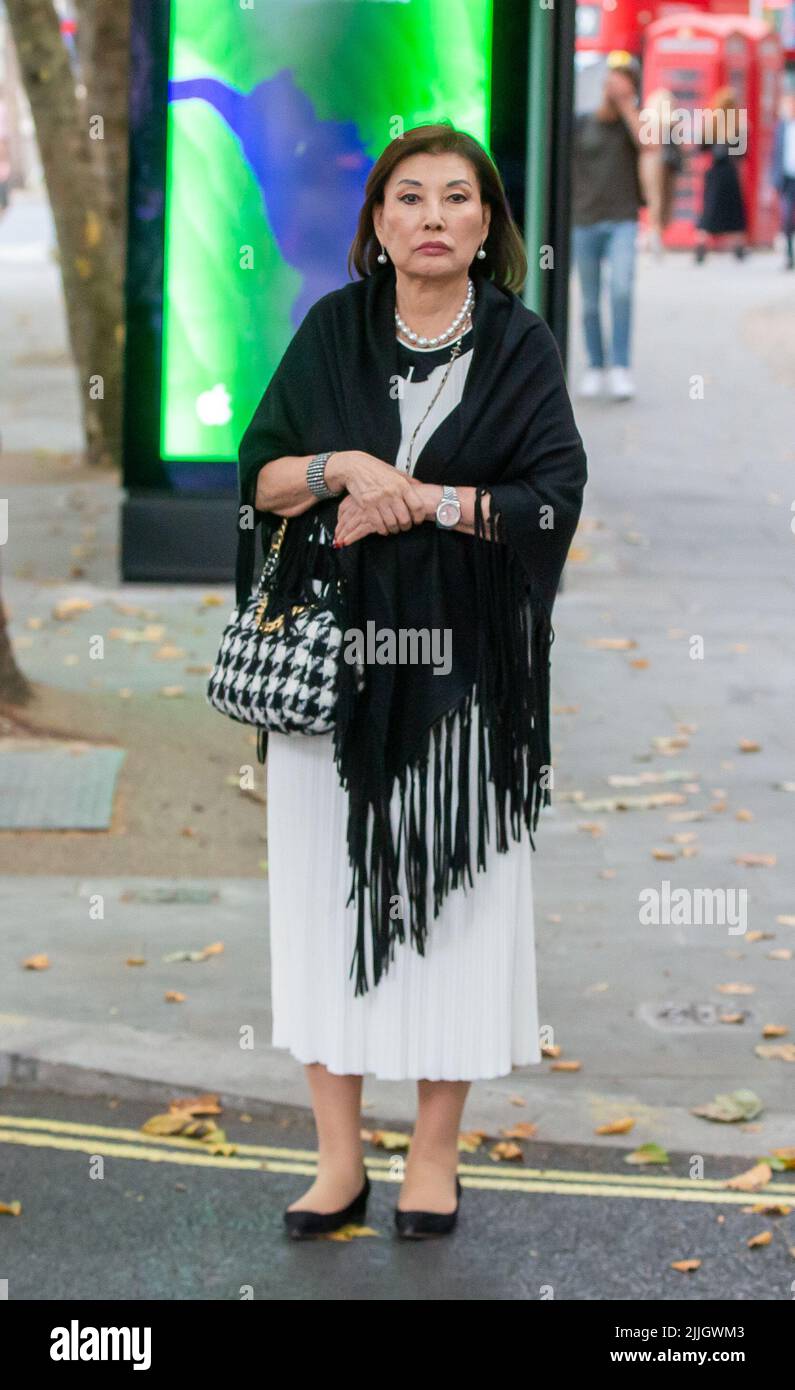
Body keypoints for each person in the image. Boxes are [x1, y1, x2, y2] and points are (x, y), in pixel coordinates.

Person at [234, 123, 587, 1240]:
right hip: (330, 684)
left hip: (464, 681)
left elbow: (550, 503)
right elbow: (264, 480)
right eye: (408, 198)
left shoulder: (522, 347)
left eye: (456, 198)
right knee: (325, 908)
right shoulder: (332, 330)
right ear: (377, 226)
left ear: (488, 227)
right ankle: (337, 1160)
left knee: (458, 916)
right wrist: (347, 470)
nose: (432, 216)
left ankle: (433, 1157)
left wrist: (423, 501)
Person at [571, 54, 645, 402]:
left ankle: (620, 366)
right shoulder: (583, 122)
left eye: (624, 80)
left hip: (622, 220)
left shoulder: (635, 125)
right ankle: (596, 366)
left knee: (621, 290)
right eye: (612, 80)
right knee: (588, 301)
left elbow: (651, 145)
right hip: (584, 220)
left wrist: (627, 105)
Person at [693, 87, 747, 263]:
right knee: (734, 210)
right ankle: (738, 246)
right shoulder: (738, 125)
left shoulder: (712, 123)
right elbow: (742, 153)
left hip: (715, 171)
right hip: (730, 172)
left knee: (710, 209)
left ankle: (701, 244)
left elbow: (701, 147)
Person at [638, 88, 682, 257]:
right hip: (662, 163)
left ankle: (652, 235)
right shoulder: (667, 122)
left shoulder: (648, 122)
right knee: (659, 200)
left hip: (658, 163)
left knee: (656, 199)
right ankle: (653, 235)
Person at [772, 91, 795, 271]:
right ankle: (789, 254)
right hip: (786, 178)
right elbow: (776, 154)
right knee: (786, 217)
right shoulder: (781, 127)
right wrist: (774, 178)